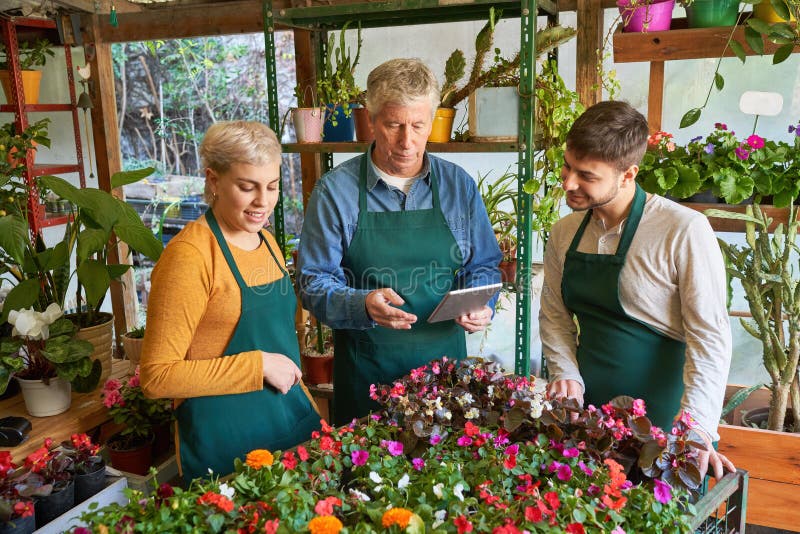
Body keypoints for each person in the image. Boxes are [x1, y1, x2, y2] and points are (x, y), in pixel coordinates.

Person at [298, 58, 502, 425]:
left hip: (445, 378)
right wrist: (361, 304)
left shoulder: (458, 186)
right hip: (367, 375)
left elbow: (483, 266)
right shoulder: (335, 192)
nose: (407, 142)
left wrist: (481, 304)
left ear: (432, 120)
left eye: (418, 125)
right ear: (371, 119)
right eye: (393, 125)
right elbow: (312, 282)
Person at [539, 100, 735, 479]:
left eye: (587, 175)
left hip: (662, 425)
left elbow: (710, 337)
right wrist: (565, 372)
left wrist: (695, 428)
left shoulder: (682, 230)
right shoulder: (565, 232)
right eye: (567, 166)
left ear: (628, 174)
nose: (568, 183)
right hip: (586, 419)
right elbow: (554, 314)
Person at [140, 121, 320, 481]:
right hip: (227, 446)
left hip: (288, 424)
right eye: (247, 187)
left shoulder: (267, 242)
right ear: (213, 180)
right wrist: (258, 365)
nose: (263, 202)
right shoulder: (191, 256)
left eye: (272, 186)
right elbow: (157, 377)